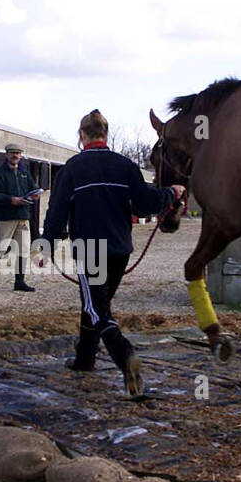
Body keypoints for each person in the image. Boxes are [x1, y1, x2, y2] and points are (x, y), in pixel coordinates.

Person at [36, 109, 185, 396]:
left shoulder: (72, 169)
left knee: (97, 309)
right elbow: (144, 204)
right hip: (120, 249)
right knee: (93, 305)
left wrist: (46, 244)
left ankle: (125, 355)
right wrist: (171, 193)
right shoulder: (125, 166)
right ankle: (85, 359)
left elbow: (56, 213)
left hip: (91, 248)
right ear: (105, 134)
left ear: (83, 136)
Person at [0, 144, 38, 292]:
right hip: (5, 217)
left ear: (21, 156)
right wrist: (10, 200)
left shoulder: (24, 172)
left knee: (24, 249)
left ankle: (19, 282)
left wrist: (34, 195)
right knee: (0, 249)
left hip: (23, 216)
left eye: (18, 153)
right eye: (13, 153)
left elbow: (33, 188)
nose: (15, 156)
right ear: (6, 154)